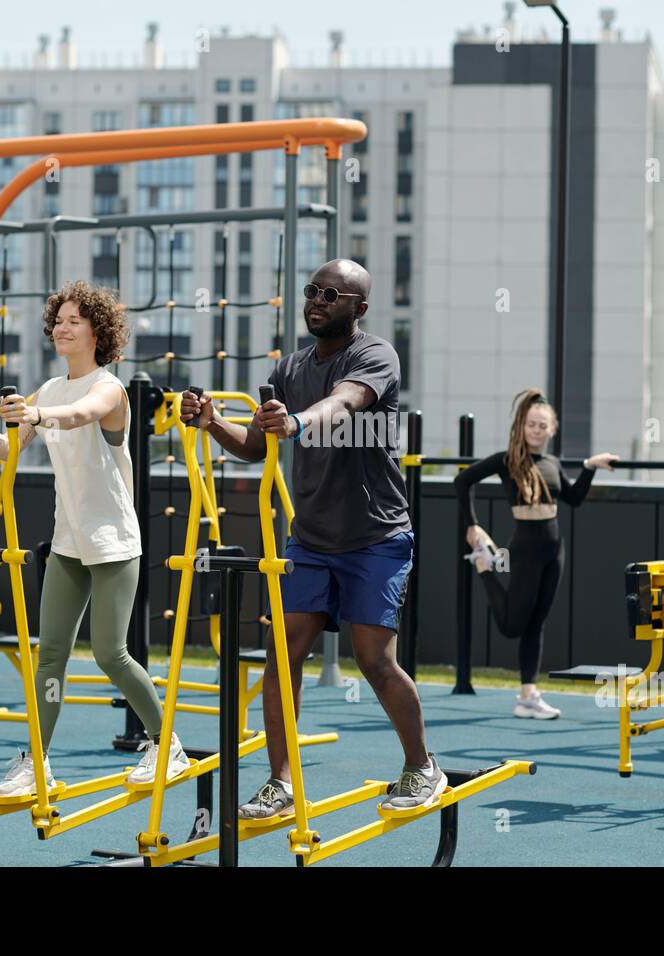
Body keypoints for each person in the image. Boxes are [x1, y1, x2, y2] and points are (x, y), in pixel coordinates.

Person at [180, 258, 444, 820]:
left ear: (359, 307)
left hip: (376, 536)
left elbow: (343, 403)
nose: (319, 300)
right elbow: (254, 445)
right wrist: (210, 421)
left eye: (333, 293)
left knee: (373, 659)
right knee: (282, 653)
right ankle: (281, 783)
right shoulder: (288, 368)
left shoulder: (374, 356)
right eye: (313, 290)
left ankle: (422, 766)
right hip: (312, 539)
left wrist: (297, 423)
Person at [0, 279, 189, 796]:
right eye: (59, 319)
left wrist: (35, 413)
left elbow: (81, 415)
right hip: (69, 540)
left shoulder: (108, 387)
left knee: (109, 653)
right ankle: (38, 760)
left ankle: (168, 747)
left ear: (98, 332)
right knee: (49, 653)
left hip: (114, 539)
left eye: (75, 319)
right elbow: (12, 448)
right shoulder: (49, 390)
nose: (62, 326)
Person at [455, 389, 619, 719]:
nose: (537, 430)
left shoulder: (553, 464)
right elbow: (462, 481)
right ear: (522, 425)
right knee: (512, 625)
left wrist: (590, 466)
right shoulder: (507, 459)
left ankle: (527, 695)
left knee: (536, 623)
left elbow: (573, 499)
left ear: (553, 429)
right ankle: (485, 565)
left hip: (554, 549)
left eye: (543, 425)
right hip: (526, 548)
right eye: (531, 424)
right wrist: (472, 526)